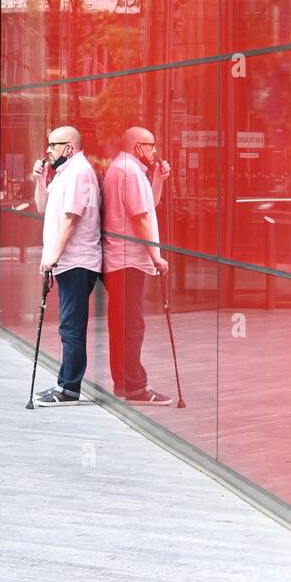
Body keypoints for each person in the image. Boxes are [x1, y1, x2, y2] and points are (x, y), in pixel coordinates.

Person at [32, 125, 101, 406]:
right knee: (67, 326)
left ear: (68, 148)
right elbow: (42, 208)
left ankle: (69, 389)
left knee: (71, 327)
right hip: (66, 262)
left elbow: (71, 219)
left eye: (53, 145)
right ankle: (65, 384)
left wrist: (53, 256)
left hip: (76, 262)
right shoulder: (63, 174)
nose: (47, 151)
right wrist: (39, 180)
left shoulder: (79, 172)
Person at [103, 126, 172, 405]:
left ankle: (124, 383)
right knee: (132, 325)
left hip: (120, 260)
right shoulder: (130, 172)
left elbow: (148, 205)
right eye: (150, 145)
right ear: (137, 147)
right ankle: (134, 386)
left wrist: (159, 179)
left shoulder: (124, 169)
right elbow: (141, 217)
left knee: (122, 323)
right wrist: (156, 255)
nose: (154, 150)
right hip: (128, 259)